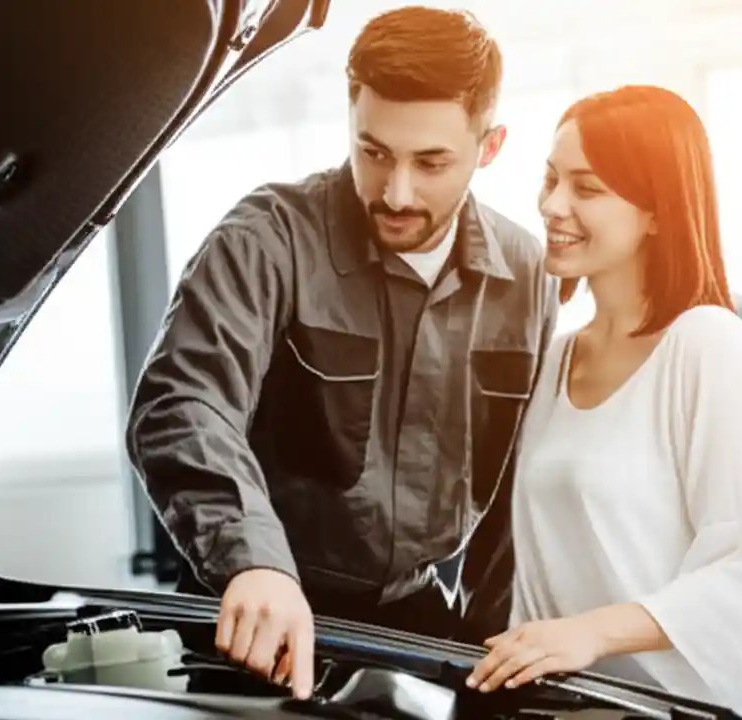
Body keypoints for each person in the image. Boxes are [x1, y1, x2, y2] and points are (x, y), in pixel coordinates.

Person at [126, 7, 556, 700]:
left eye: (431, 162)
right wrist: (253, 562)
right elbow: (184, 404)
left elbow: (513, 491)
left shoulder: (527, 273)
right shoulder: (266, 240)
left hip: (419, 627)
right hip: (256, 611)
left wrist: (491, 653)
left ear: (490, 146)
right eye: (374, 152)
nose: (396, 192)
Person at [464, 86, 742, 719]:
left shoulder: (708, 344)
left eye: (586, 188)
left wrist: (589, 633)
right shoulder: (556, 358)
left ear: (658, 211)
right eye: (551, 179)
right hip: (593, 706)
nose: (552, 205)